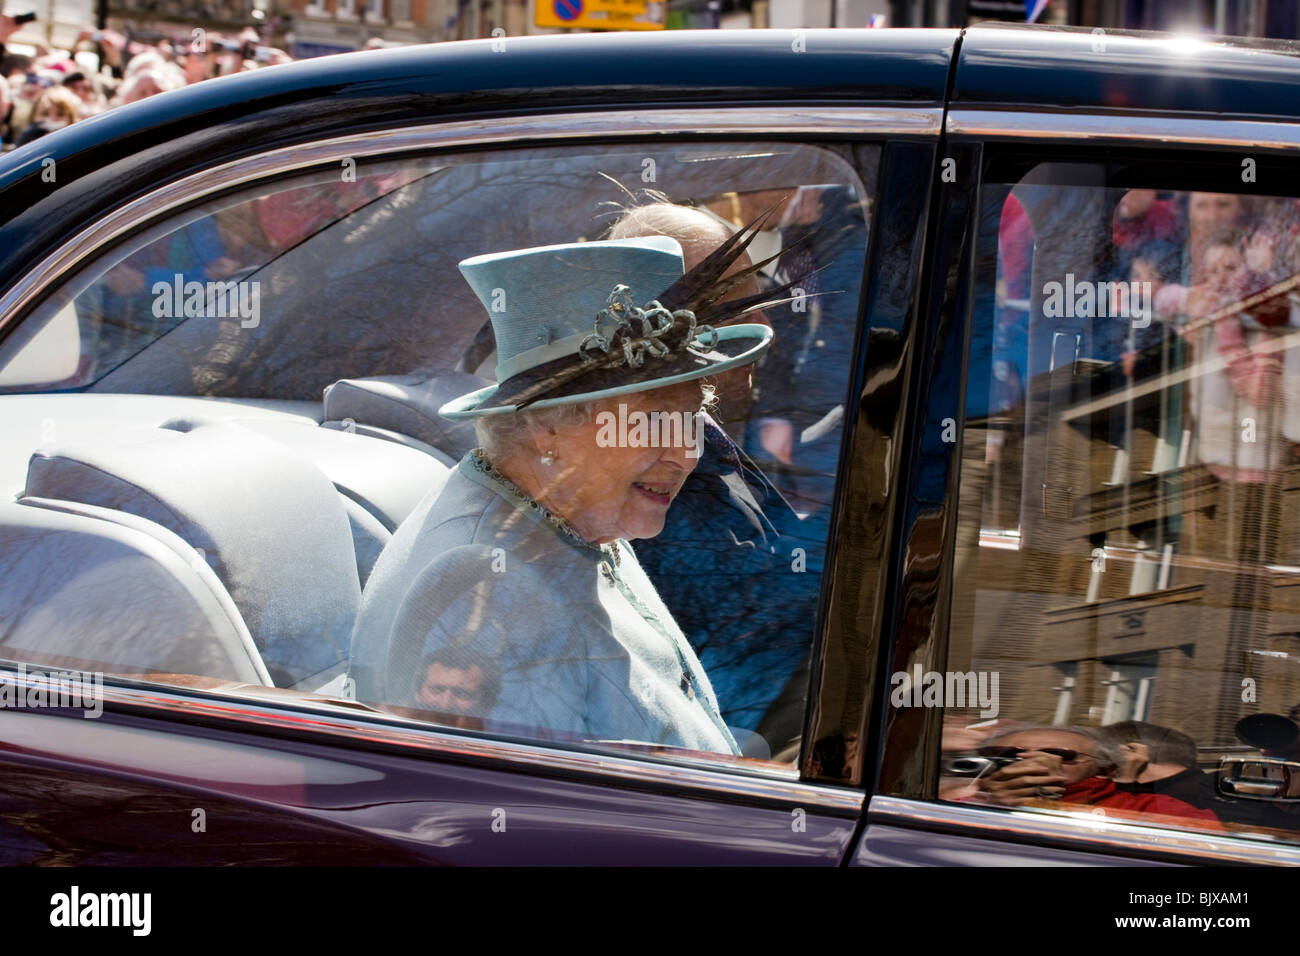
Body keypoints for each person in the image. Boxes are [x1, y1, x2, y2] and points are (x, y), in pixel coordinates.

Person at [349, 234, 779, 754]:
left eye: (690, 419)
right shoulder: (491, 598)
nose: (683, 453)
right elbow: (525, 820)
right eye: (650, 422)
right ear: (544, 428)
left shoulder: (576, 513)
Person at [958, 724, 1223, 828]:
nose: (1029, 760)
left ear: (1106, 769)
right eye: (1005, 753)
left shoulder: (1157, 810)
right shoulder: (954, 803)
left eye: (1061, 755)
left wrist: (1054, 807)